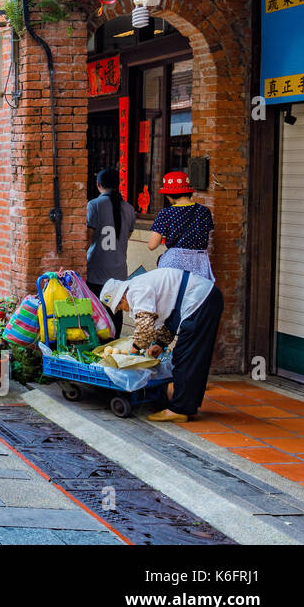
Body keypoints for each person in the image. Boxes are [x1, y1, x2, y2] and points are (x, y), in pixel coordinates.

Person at [100, 267, 224, 422]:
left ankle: (179, 409)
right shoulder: (140, 285)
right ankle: (188, 405)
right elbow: (172, 312)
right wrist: (160, 343)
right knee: (195, 357)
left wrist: (133, 352)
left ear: (122, 298)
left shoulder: (136, 291)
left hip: (200, 301)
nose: (123, 310)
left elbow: (145, 328)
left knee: (184, 357)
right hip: (204, 299)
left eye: (119, 307)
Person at [85, 167, 136, 337]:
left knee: (96, 313)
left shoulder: (94, 205)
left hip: (96, 270)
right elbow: (126, 236)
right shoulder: (129, 208)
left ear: (98, 185)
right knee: (116, 310)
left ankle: (98, 352)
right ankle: (113, 346)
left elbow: (87, 239)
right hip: (119, 271)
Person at [148, 171, 214, 280]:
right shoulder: (204, 211)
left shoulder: (166, 213)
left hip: (173, 264)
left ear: (169, 195)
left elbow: (152, 245)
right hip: (199, 263)